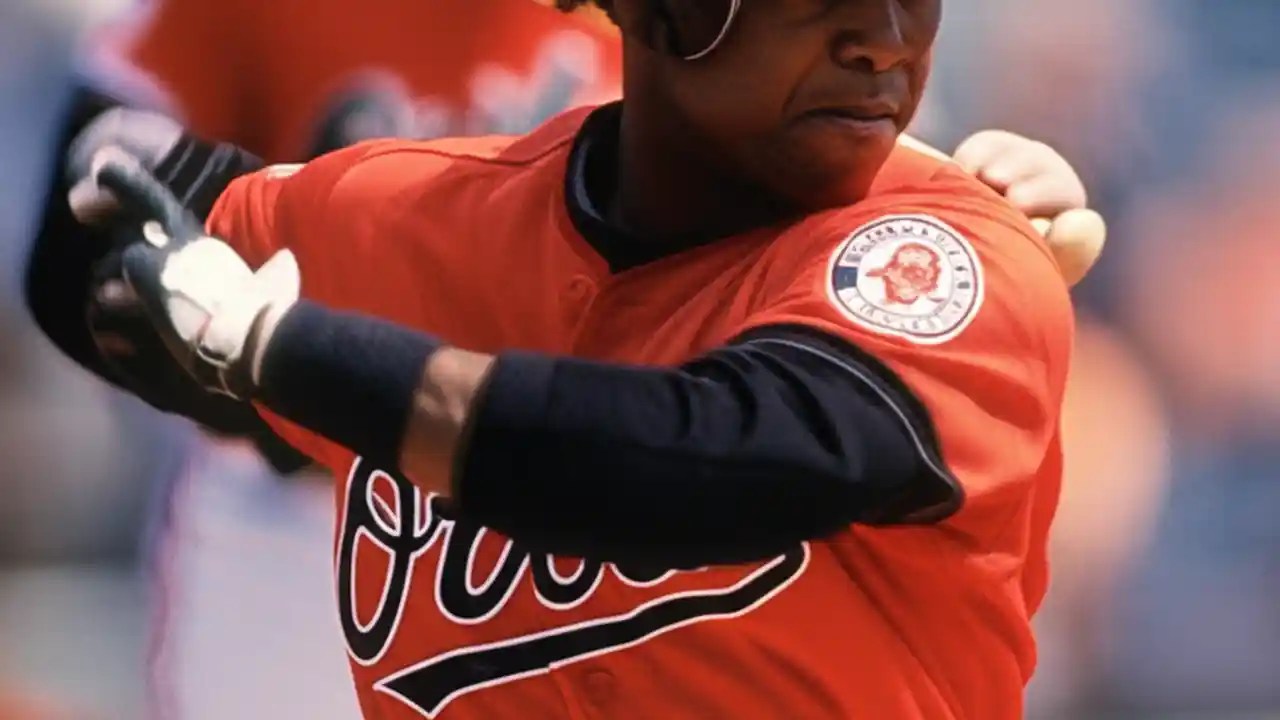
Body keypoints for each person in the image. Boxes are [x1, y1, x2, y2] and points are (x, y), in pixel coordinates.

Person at [29, 1, 1106, 717]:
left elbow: (692, 461)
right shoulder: (430, 213)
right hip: (294, 550)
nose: (879, 36)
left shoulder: (940, 253)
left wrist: (282, 352)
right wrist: (200, 340)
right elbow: (99, 224)